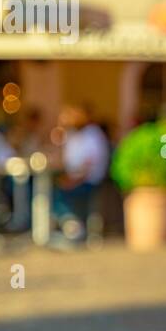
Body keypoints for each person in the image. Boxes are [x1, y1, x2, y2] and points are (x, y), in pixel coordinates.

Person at [52, 103, 109, 241]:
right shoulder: (72, 135)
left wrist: (72, 181)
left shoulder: (92, 135)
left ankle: (73, 226)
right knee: (50, 190)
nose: (63, 123)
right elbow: (63, 159)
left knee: (56, 193)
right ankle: (71, 224)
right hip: (74, 177)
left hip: (90, 180)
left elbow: (88, 167)